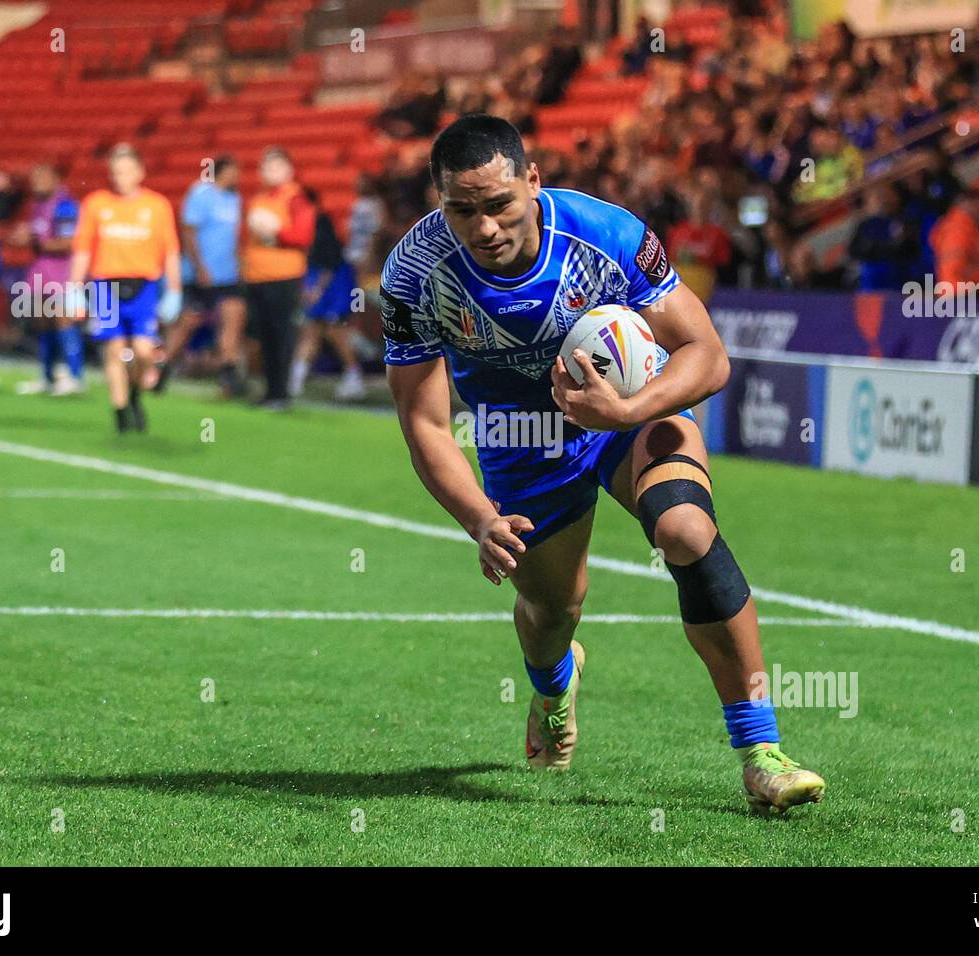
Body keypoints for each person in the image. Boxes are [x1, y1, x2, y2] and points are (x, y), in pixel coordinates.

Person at [381, 114, 825, 813]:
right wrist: (479, 520)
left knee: (686, 532)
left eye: (500, 205)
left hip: (630, 407)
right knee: (552, 607)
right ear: (441, 203)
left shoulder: (605, 235)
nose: (485, 227)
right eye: (462, 210)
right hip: (521, 437)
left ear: (533, 181)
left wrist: (629, 409)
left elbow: (707, 355)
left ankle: (761, 752)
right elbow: (424, 420)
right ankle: (555, 686)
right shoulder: (414, 274)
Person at [69, 144, 182, 433]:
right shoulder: (96, 204)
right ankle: (120, 410)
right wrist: (74, 287)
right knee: (115, 349)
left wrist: (174, 289)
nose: (120, 177)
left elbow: (170, 250)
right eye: (116, 172)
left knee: (144, 351)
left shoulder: (156, 206)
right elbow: (83, 248)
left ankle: (135, 394)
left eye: (127, 171)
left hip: (143, 286)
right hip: (106, 286)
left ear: (140, 172)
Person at [161, 154, 246, 397]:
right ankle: (165, 366)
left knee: (233, 316)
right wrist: (200, 267)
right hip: (203, 273)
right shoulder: (200, 194)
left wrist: (239, 264)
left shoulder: (234, 199)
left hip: (227, 274)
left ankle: (229, 375)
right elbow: (189, 232)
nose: (237, 177)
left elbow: (233, 236)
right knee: (189, 322)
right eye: (233, 171)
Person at [241, 147, 315, 412]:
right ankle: (270, 389)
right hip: (257, 278)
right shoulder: (258, 199)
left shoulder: (295, 199)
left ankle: (282, 393)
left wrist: (277, 231)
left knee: (283, 335)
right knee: (264, 336)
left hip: (284, 277)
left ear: (288, 170)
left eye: (274, 167)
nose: (267, 172)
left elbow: (303, 236)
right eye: (264, 167)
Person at [14, 164, 84, 395]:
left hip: (62, 272)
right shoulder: (37, 205)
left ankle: (75, 376)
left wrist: (37, 240)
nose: (36, 182)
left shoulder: (65, 206)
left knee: (63, 321)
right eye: (34, 177)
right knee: (43, 323)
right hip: (41, 272)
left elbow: (68, 242)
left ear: (55, 178)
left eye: (42, 176)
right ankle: (47, 376)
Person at [290, 187, 365, 401]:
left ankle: (354, 377)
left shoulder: (321, 223)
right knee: (312, 330)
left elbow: (329, 260)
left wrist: (317, 289)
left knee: (335, 330)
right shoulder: (305, 225)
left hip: (335, 282)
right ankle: (295, 380)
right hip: (321, 279)